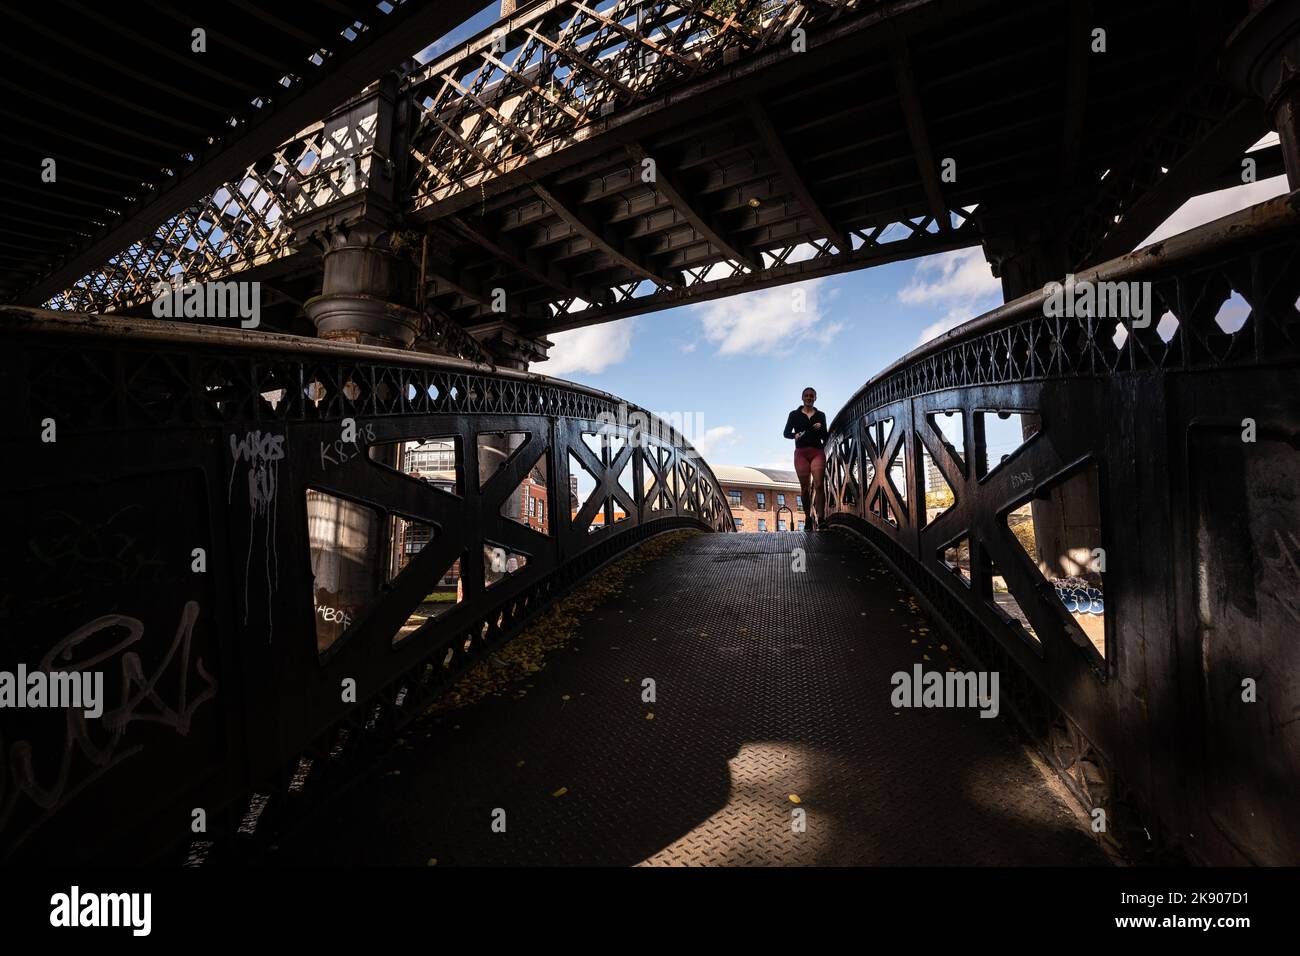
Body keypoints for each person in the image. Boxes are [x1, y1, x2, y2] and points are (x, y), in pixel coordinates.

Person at [784, 387, 829, 530]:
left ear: (815, 398)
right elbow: (786, 433)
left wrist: (820, 428)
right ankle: (808, 518)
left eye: (812, 396)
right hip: (801, 453)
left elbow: (826, 437)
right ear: (802, 398)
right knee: (804, 488)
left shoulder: (821, 415)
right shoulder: (794, 414)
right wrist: (794, 435)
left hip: (817, 452)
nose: (809, 398)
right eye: (806, 396)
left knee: (819, 485)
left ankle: (821, 519)